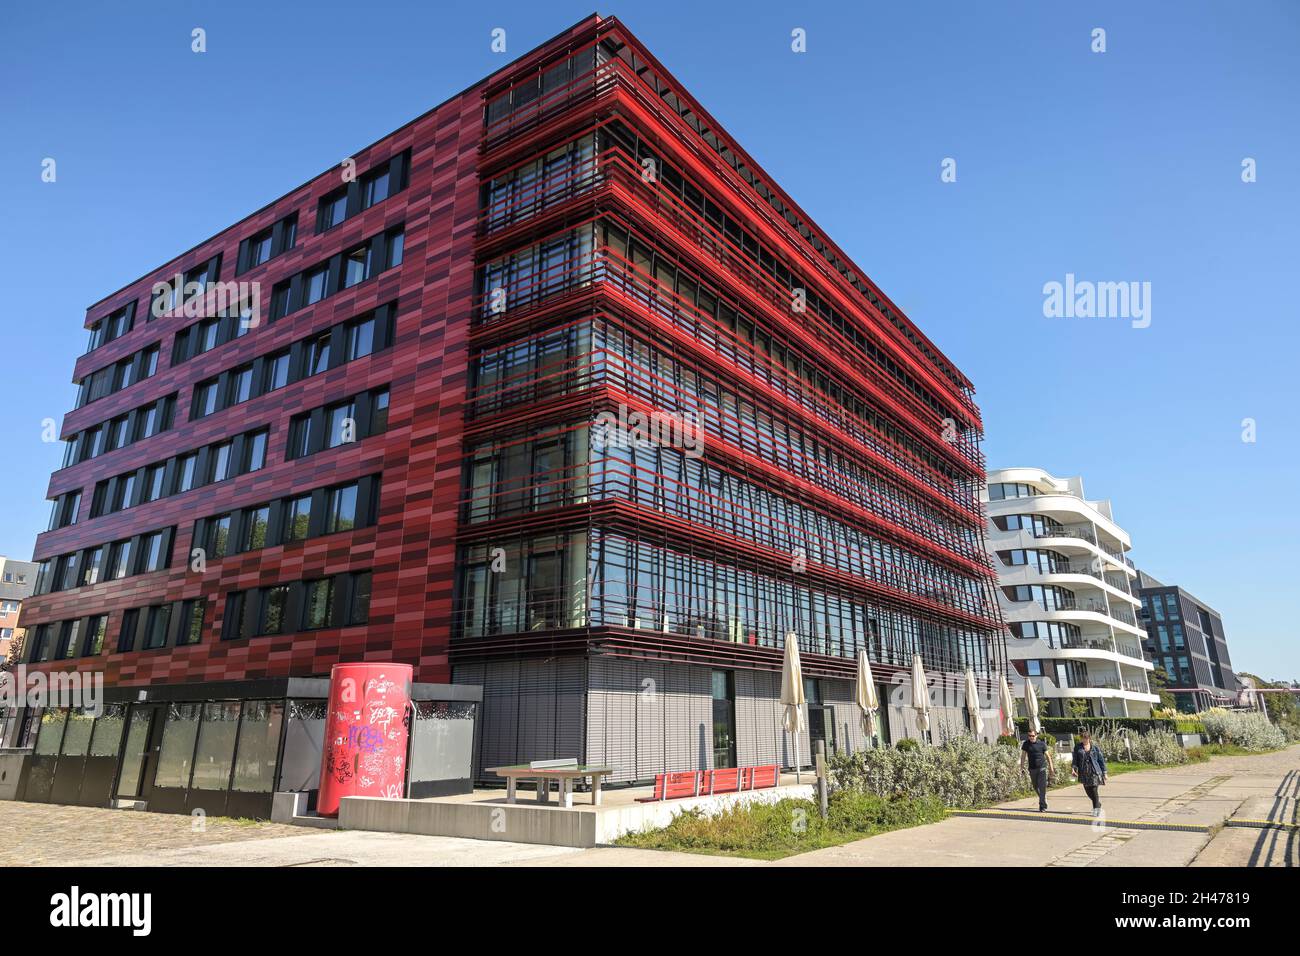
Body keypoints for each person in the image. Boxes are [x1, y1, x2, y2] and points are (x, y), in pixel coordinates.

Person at [1072, 730, 1108, 816]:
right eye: (1082, 738)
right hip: (1083, 772)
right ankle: (1097, 803)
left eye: (1086, 738)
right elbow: (1075, 760)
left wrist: (1105, 772)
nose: (1084, 740)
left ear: (1089, 738)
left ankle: (1096, 810)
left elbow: (1101, 760)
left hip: (1094, 772)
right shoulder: (1078, 747)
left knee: (1094, 791)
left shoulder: (1095, 748)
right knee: (1088, 792)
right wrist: (1073, 769)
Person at [1019, 729, 1052, 811]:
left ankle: (1042, 805)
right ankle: (1043, 798)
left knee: (1042, 786)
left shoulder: (1042, 744)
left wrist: (1051, 767)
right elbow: (1023, 756)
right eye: (1029, 736)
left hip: (1042, 767)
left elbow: (1048, 756)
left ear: (1036, 736)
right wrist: (1021, 767)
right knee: (1035, 786)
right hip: (1032, 768)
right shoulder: (1026, 744)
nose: (1031, 737)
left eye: (1033, 736)